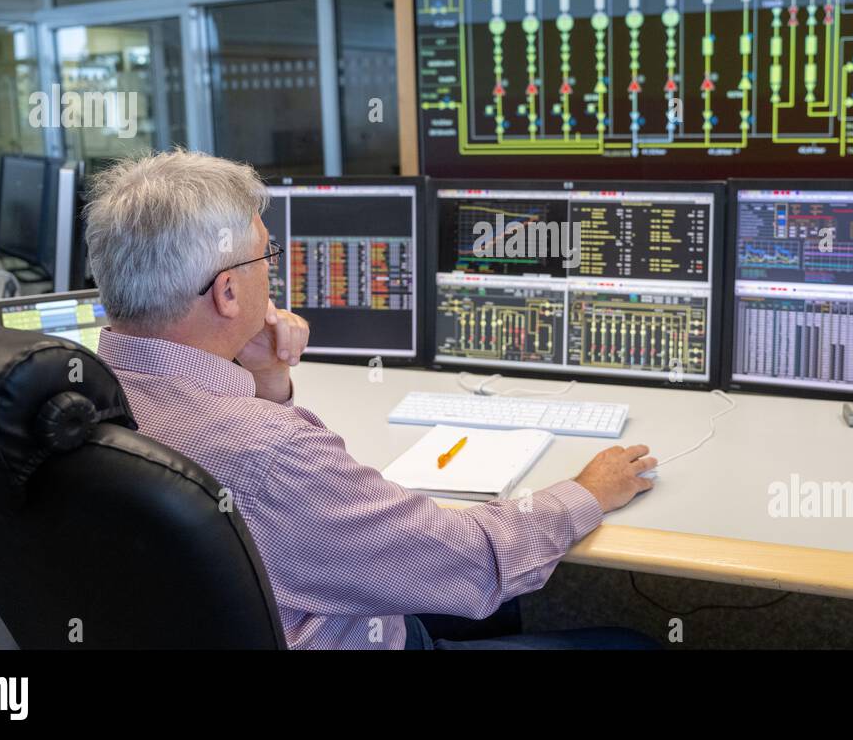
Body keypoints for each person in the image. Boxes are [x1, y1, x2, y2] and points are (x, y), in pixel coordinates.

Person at [83, 150, 659, 650]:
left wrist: (263, 376)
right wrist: (586, 490)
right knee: (629, 644)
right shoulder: (269, 450)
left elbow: (273, 514)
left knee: (496, 610)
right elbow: (474, 560)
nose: (274, 270)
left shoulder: (82, 395)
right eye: (265, 254)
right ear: (229, 292)